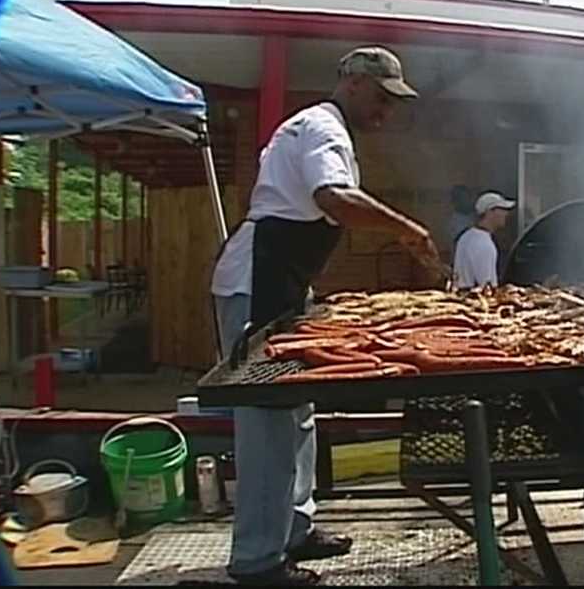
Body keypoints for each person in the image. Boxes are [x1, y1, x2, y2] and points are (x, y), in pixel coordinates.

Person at [209, 45, 443, 585]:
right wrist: (408, 229)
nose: (387, 111)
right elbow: (334, 198)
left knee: (298, 415)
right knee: (267, 424)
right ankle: (257, 562)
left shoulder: (316, 127)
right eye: (382, 97)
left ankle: (296, 529)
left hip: (283, 289)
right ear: (355, 82)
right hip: (255, 288)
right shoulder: (323, 128)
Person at [453, 191, 516, 289]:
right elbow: (487, 287)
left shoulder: (466, 236)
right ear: (489, 212)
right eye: (502, 209)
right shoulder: (483, 244)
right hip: (475, 301)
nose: (506, 213)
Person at [448, 184, 476, 249]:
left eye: (467, 198)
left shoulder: (475, 216)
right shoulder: (453, 222)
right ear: (455, 202)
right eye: (462, 199)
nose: (466, 202)